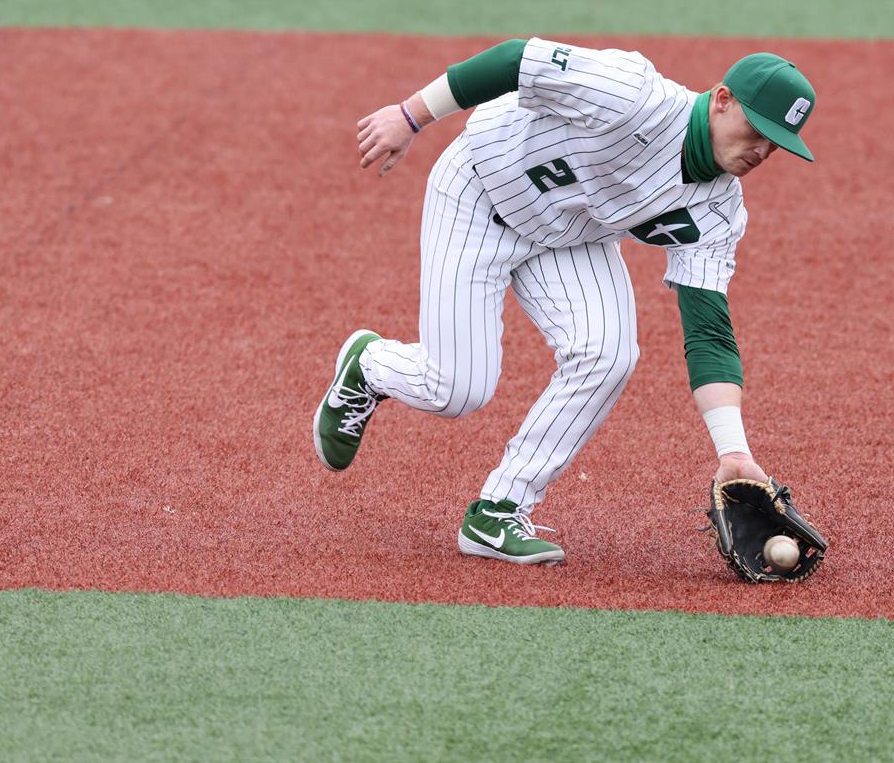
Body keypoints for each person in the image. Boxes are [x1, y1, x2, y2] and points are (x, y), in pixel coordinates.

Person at [312, 37, 816, 565]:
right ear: (722, 100)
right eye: (757, 130)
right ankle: (370, 366)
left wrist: (734, 452)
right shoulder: (633, 94)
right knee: (455, 389)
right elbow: (516, 59)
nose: (762, 151)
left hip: (571, 236)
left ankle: (499, 510)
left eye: (776, 143)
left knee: (609, 355)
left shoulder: (719, 213)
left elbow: (708, 332)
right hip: (479, 196)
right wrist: (409, 116)